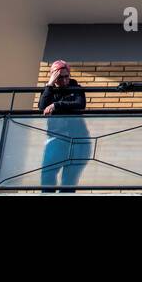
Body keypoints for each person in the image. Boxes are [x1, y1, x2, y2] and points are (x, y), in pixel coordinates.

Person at [38, 60, 88, 191]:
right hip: (56, 138)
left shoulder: (76, 88)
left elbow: (80, 104)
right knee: (47, 174)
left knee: (69, 179)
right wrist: (49, 84)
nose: (65, 80)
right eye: (60, 77)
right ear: (54, 77)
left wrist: (56, 105)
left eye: (67, 76)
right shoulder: (49, 90)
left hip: (78, 139)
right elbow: (42, 107)